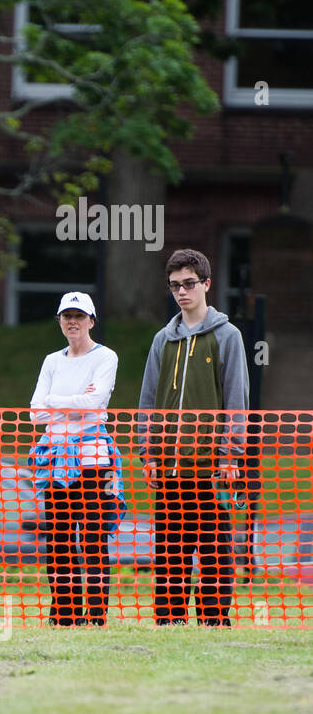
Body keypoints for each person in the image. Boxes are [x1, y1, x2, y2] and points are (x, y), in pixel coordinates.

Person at [138, 249, 249, 627]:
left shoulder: (228, 336)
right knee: (170, 549)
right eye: (174, 286)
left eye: (188, 284)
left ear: (206, 284)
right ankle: (169, 620)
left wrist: (229, 456)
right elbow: (148, 401)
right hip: (169, 469)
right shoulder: (162, 340)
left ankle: (214, 620)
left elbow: (237, 400)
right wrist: (147, 453)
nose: (181, 292)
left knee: (216, 549)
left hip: (212, 470)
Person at [28, 292, 124, 626]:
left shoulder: (106, 357)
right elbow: (36, 413)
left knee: (93, 537)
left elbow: (96, 400)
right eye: (67, 316)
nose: (73, 322)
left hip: (92, 461)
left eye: (79, 316)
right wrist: (70, 403)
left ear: (91, 321)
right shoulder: (52, 361)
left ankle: (96, 615)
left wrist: (55, 402)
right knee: (58, 538)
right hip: (54, 460)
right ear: (60, 321)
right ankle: (64, 613)